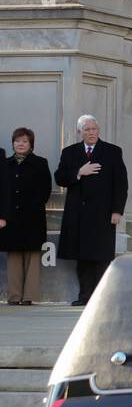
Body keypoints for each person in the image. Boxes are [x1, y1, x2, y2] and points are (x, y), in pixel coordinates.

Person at [54, 115, 127, 305]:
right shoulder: (69, 152)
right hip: (78, 214)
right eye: (87, 129)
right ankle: (84, 297)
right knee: (83, 258)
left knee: (101, 258)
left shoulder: (112, 151)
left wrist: (117, 211)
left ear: (98, 130)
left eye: (94, 129)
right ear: (80, 132)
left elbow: (121, 184)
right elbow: (60, 177)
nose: (91, 132)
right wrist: (78, 173)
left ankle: (100, 298)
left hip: (103, 214)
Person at [0, 128, 52, 305]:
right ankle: (14, 296)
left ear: (31, 144)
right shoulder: (5, 164)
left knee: (32, 256)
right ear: (12, 143)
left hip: (33, 217)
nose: (20, 144)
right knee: (13, 256)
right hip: (11, 217)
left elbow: (45, 190)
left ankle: (29, 296)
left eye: (24, 141)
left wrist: (32, 206)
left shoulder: (40, 163)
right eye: (17, 141)